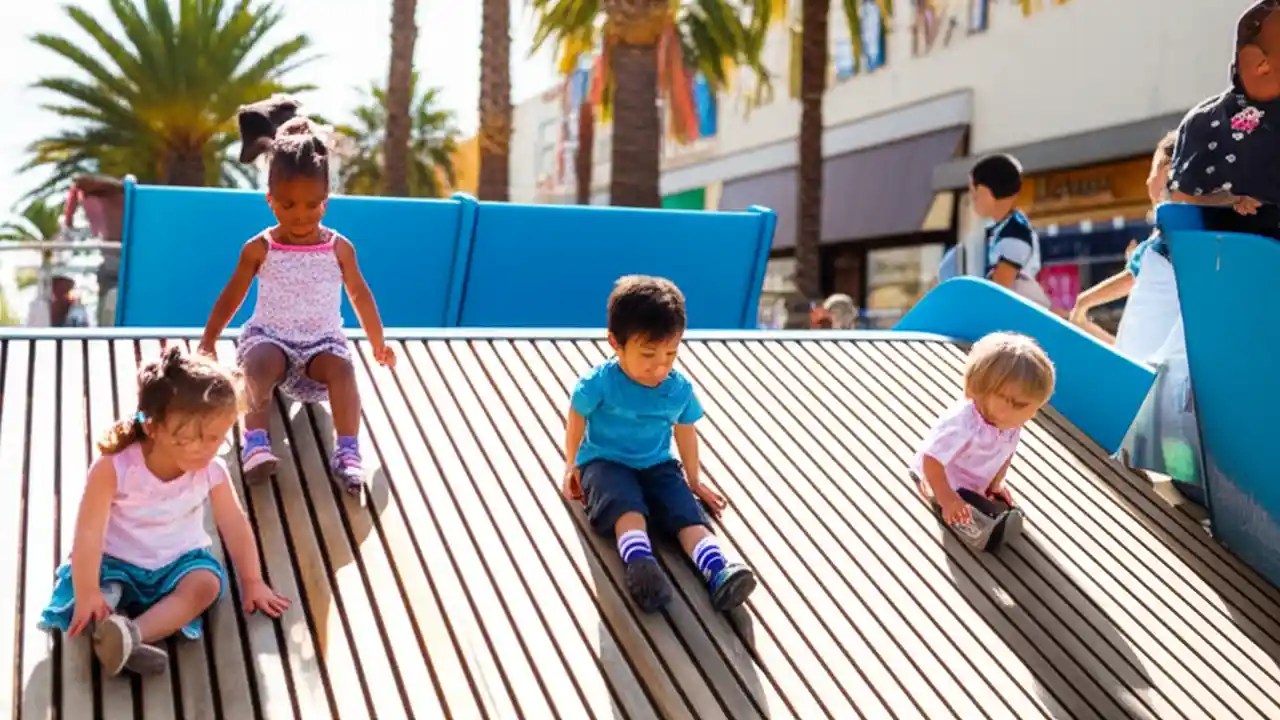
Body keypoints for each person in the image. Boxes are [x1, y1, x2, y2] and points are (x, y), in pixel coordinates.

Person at [38, 347, 290, 677]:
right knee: (97, 597)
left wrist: (253, 581)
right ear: (154, 427)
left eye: (215, 438)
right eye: (191, 439)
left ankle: (130, 635)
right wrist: (86, 591)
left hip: (177, 563)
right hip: (115, 561)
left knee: (206, 585)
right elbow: (88, 532)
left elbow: (235, 526)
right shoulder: (114, 468)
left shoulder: (212, 472)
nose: (205, 449)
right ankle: (105, 622)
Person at [199, 104, 395, 496]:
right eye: (288, 205)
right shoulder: (260, 247)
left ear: (327, 200)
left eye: (312, 205)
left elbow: (360, 295)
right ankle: (255, 442)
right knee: (256, 363)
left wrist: (378, 342)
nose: (301, 216)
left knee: (343, 370)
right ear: (270, 200)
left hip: (321, 346)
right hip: (271, 338)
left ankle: (348, 450)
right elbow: (232, 295)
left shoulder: (339, 248)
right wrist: (208, 341)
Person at [561, 275, 757, 613]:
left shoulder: (677, 389)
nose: (661, 365)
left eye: (671, 352)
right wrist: (572, 464)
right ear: (615, 344)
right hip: (605, 461)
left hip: (656, 463)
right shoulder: (600, 383)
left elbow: (685, 431)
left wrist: (694, 482)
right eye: (649, 353)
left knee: (684, 510)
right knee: (625, 504)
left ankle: (718, 569)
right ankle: (640, 563)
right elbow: (577, 414)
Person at [911, 332, 1056, 552]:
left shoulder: (1010, 423)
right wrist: (947, 498)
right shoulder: (964, 424)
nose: (1032, 414)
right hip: (941, 479)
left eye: (1036, 407)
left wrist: (996, 483)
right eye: (1023, 405)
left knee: (987, 501)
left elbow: (1006, 453)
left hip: (975, 479)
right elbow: (930, 460)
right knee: (963, 509)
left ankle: (994, 511)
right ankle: (983, 526)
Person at [1166, 1, 1280, 238]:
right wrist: (1232, 198)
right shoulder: (1204, 122)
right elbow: (1179, 196)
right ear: (1261, 63)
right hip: (1230, 260)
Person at [1071, 131, 1181, 359]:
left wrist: (1084, 302)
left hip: (1151, 360)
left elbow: (1132, 277)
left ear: (1167, 170)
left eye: (1152, 170)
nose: (1148, 180)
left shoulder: (1169, 233)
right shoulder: (1181, 231)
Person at [969, 154, 1052, 308]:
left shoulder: (1015, 232)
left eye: (975, 190)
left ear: (988, 191)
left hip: (1020, 317)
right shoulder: (999, 229)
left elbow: (999, 290)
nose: (972, 197)